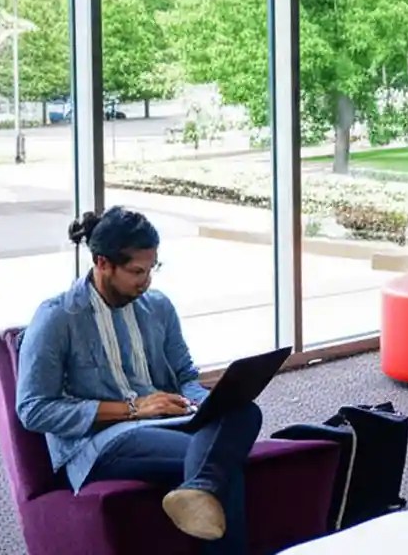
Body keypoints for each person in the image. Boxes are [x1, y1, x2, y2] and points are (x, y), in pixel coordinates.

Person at [16, 207, 260, 553]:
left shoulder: (158, 307)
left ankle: (198, 488)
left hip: (173, 421)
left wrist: (204, 403)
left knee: (245, 412)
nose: (146, 281)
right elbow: (34, 409)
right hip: (102, 443)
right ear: (103, 263)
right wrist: (134, 408)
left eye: (151, 269)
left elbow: (186, 375)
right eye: (136, 271)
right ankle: (204, 486)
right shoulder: (58, 318)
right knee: (218, 458)